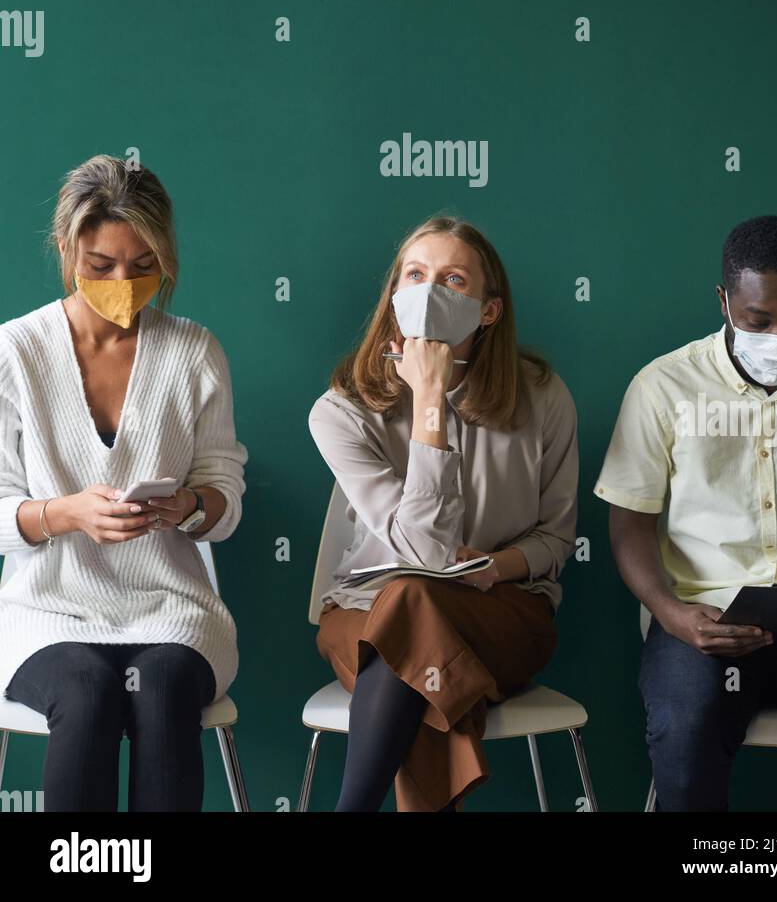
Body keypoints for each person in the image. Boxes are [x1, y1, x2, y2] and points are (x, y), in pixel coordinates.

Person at [0, 154, 248, 812]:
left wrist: (188, 505)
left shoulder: (195, 351)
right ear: (64, 249)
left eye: (143, 267)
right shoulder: (15, 353)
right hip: (48, 613)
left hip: (171, 612)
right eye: (100, 266)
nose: (123, 283)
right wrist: (63, 514)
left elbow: (224, 500)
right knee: (86, 692)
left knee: (161, 691)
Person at [595, 214, 777, 811]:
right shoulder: (662, 387)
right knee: (685, 735)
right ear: (723, 300)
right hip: (703, 626)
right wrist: (670, 614)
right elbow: (629, 523)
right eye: (758, 320)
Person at [308, 214, 578, 812]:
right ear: (395, 296)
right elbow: (424, 558)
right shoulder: (340, 411)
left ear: (489, 310)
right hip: (366, 615)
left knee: (414, 622)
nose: (430, 291)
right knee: (412, 606)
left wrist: (495, 566)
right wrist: (427, 400)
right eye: (416, 274)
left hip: (501, 612)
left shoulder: (543, 395)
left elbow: (557, 540)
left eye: (454, 280)